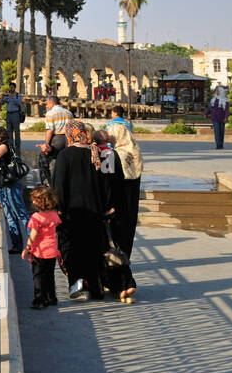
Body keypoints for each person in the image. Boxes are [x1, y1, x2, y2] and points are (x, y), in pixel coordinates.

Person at [52, 120, 110, 300]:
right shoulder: (98, 154)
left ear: (70, 135)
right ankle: (96, 287)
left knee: (72, 247)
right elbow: (106, 184)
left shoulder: (65, 155)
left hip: (72, 212)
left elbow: (59, 185)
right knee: (93, 248)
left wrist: (58, 208)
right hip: (95, 211)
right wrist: (106, 207)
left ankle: (76, 284)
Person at [102, 122, 143, 301]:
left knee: (113, 247)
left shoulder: (110, 155)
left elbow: (105, 183)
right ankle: (123, 284)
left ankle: (123, 285)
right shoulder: (135, 154)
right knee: (124, 247)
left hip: (114, 208)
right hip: (130, 210)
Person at [0, 125, 27, 254]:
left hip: (11, 184)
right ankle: (17, 245)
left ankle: (34, 242)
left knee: (20, 213)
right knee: (9, 215)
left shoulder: (4, 146)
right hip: (3, 184)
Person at [24, 186, 61, 308]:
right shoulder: (54, 215)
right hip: (52, 250)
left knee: (38, 276)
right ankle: (51, 297)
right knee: (49, 275)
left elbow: (33, 235)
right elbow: (55, 233)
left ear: (38, 202)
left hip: (40, 252)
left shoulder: (36, 217)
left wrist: (27, 248)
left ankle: (39, 300)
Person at [38, 94, 72, 186]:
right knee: (63, 161)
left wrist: (46, 144)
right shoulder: (68, 112)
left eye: (47, 104)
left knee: (43, 158)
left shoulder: (50, 113)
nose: (46, 106)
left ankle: (47, 184)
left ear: (51, 103)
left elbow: (50, 130)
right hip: (68, 139)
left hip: (57, 139)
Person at [0, 82, 24, 149]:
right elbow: (1, 103)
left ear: (14, 88)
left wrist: (12, 98)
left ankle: (17, 145)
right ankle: (10, 145)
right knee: (9, 131)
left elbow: (19, 103)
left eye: (12, 87)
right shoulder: (7, 95)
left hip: (15, 114)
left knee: (16, 131)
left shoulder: (18, 95)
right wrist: (2, 98)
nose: (11, 88)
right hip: (9, 114)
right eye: (10, 87)